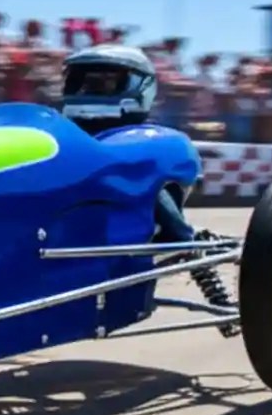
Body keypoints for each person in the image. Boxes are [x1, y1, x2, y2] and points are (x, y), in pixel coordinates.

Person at [59, 43, 238, 320]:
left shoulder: (149, 140)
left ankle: (188, 241)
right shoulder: (55, 134)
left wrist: (181, 238)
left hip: (117, 231)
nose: (89, 89)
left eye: (105, 82)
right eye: (82, 81)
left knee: (142, 171)